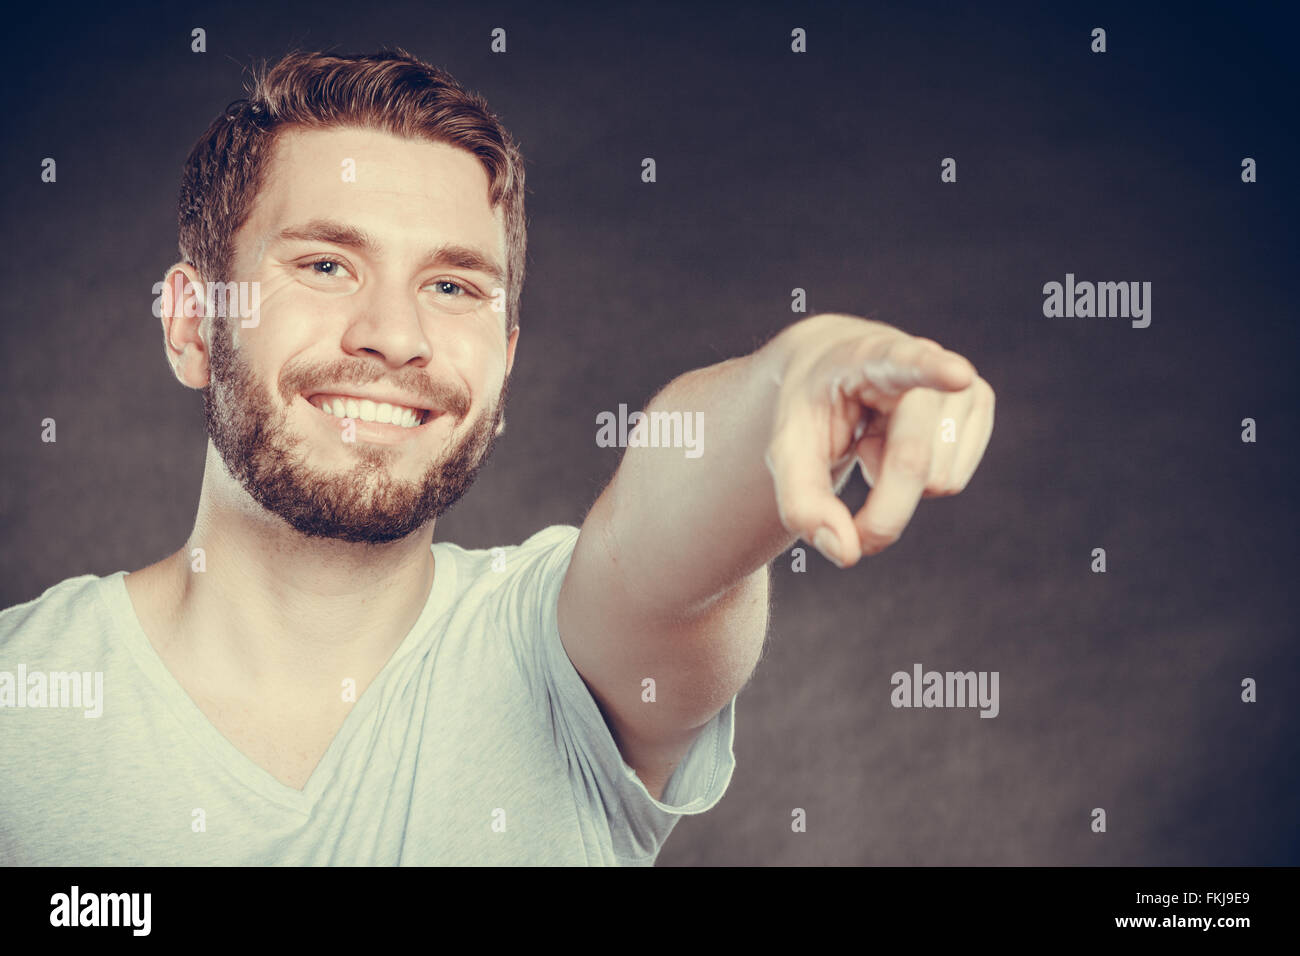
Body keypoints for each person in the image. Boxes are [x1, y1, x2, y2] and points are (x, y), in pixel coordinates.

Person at [0, 49, 993, 865]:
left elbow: (663, 544)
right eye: (325, 264)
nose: (394, 335)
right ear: (188, 323)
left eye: (454, 286)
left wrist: (788, 374)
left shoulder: (563, 659)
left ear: (505, 356)